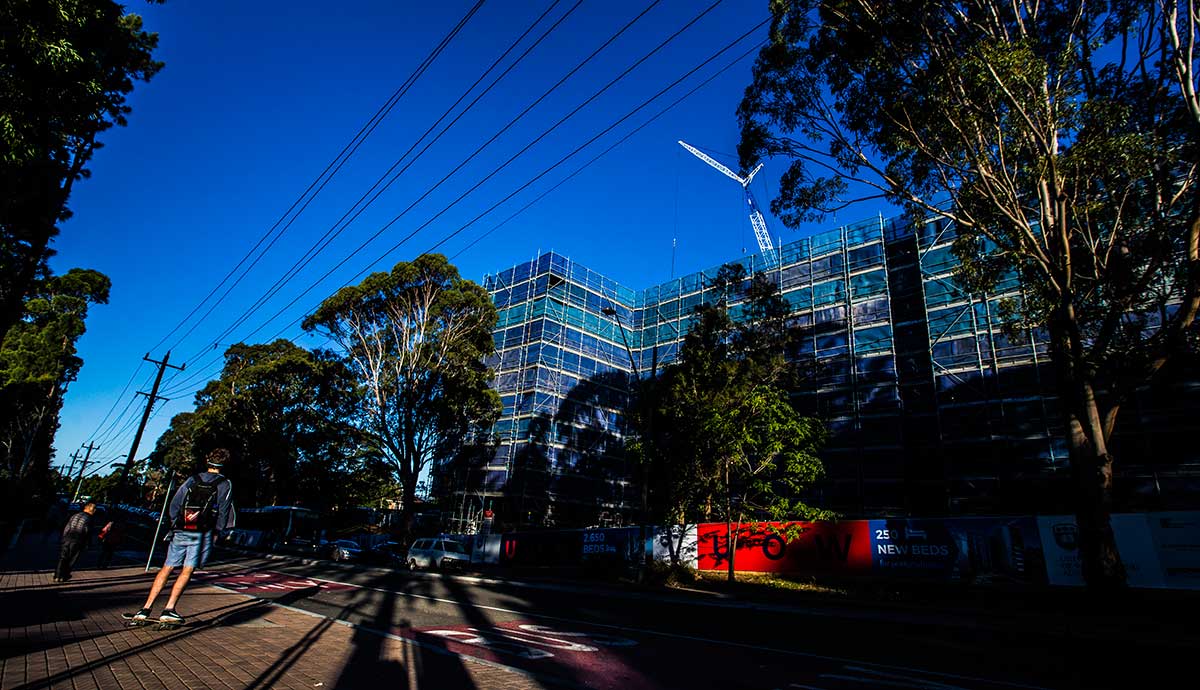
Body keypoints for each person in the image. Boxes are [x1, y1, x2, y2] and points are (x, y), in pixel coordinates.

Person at [125, 449, 235, 626]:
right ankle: (169, 609)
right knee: (187, 570)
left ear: (208, 460)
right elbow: (224, 509)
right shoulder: (225, 483)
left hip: (181, 528)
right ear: (225, 464)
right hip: (202, 532)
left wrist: (176, 521)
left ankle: (145, 609)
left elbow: (175, 503)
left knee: (167, 567)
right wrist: (218, 531)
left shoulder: (192, 479)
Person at [55, 501, 96, 582]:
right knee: (72, 559)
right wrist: (88, 543)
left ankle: (57, 575)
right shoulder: (89, 519)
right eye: (94, 510)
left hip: (67, 538)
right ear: (92, 510)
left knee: (63, 557)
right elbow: (87, 531)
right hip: (78, 540)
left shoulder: (75, 515)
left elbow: (67, 527)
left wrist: (63, 538)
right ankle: (65, 575)